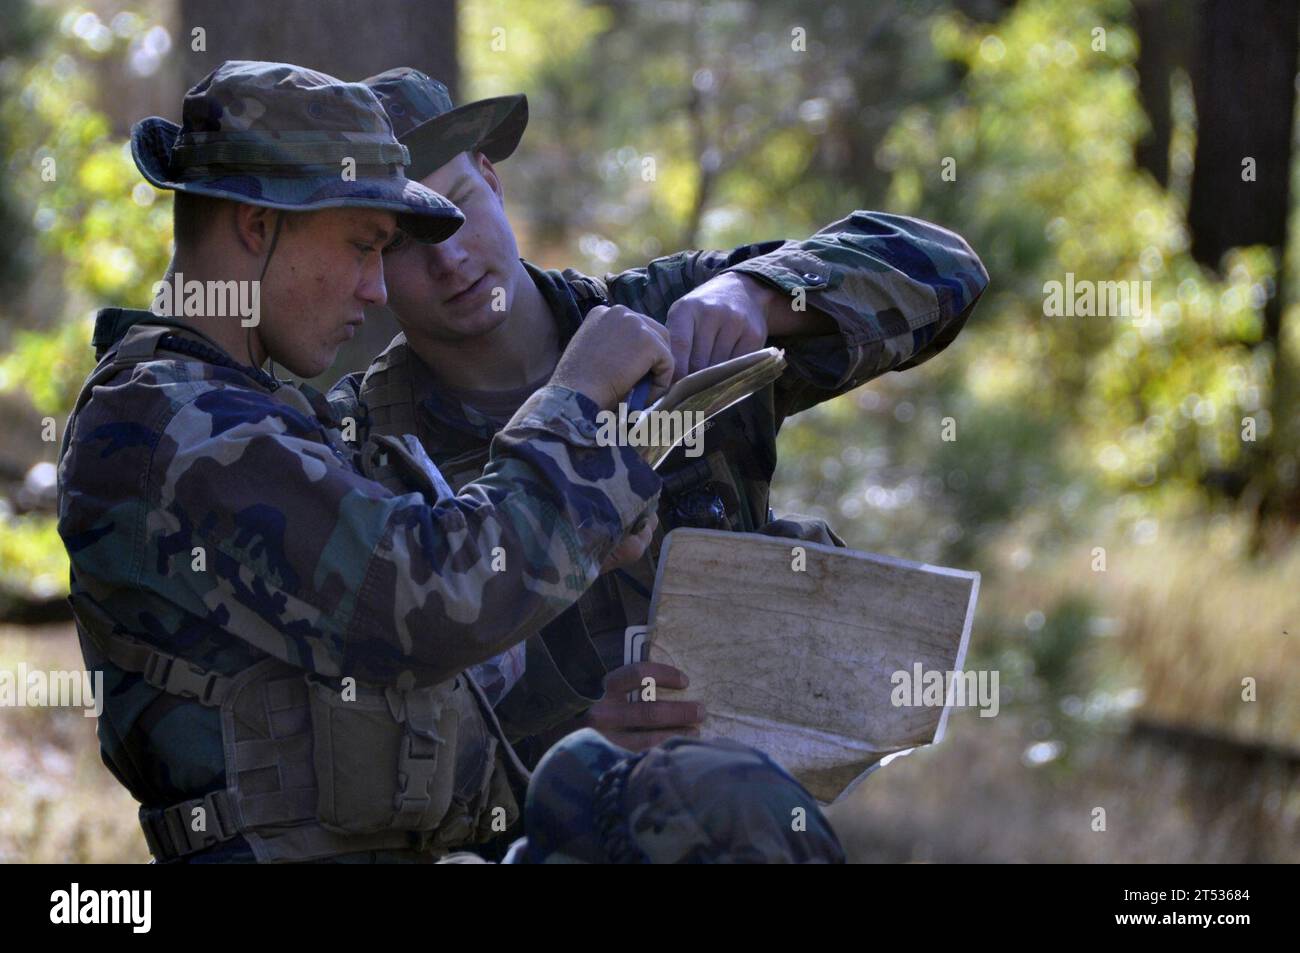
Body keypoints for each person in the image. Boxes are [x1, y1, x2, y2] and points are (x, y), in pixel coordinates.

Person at [57, 59, 845, 864]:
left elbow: (400, 669)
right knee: (731, 814)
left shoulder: (250, 410)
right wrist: (574, 395)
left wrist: (587, 541)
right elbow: (429, 595)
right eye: (366, 247)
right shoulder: (173, 420)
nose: (375, 291)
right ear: (259, 225)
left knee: (688, 801)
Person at [327, 67, 991, 761]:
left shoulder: (666, 313)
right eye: (402, 243)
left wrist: (757, 295)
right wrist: (569, 746)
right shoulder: (360, 446)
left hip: (744, 806)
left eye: (457, 207)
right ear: (365, 265)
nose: (451, 257)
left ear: (491, 181)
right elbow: (362, 735)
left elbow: (944, 268)